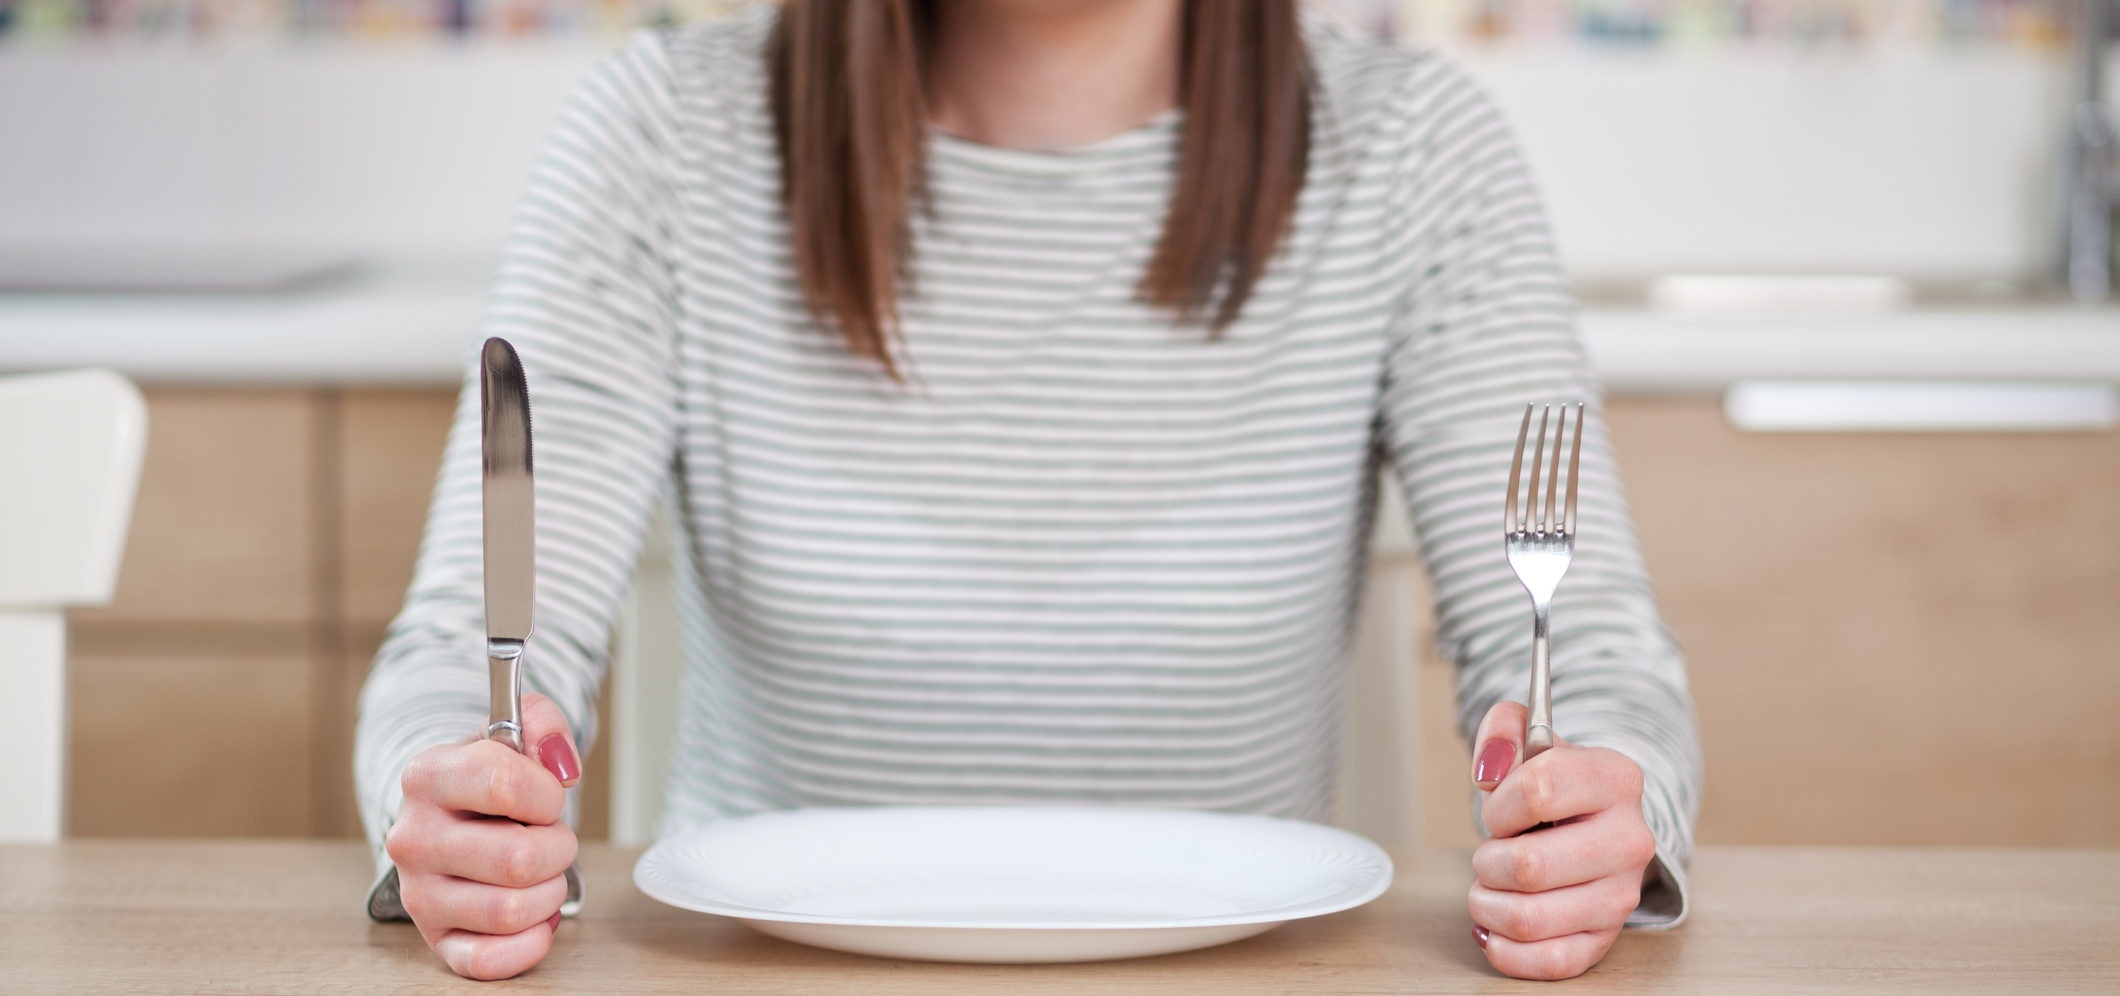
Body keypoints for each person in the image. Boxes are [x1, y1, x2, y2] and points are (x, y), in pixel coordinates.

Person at [354, 0, 1700, 982]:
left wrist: (1598, 808)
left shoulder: (1419, 151)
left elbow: (1585, 656)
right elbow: (462, 655)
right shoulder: (660, 134)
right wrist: (463, 805)